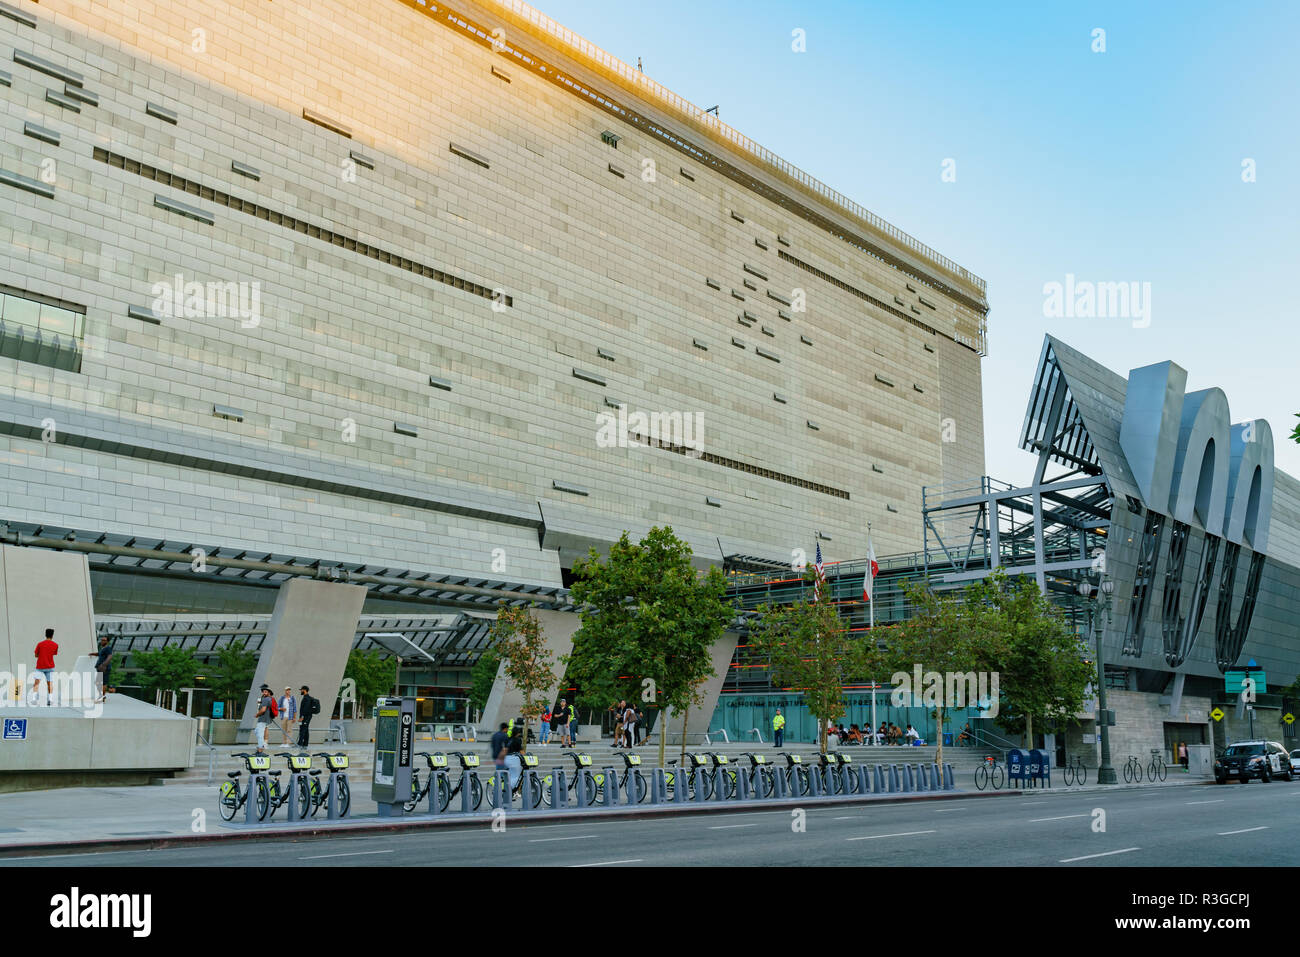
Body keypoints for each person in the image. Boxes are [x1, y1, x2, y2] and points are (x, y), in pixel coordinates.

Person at [33, 627, 58, 706]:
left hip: (40, 667)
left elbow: (36, 655)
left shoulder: (40, 644)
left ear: (45, 634)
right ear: (52, 635)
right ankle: (50, 700)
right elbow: (54, 653)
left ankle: (34, 700)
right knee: (50, 683)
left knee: (36, 683)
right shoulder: (55, 645)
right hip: (50, 667)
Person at [93, 636, 115, 704]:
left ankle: (101, 698)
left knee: (103, 683)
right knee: (98, 683)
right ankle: (102, 697)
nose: (102, 641)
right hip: (100, 668)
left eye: (104, 640)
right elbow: (99, 654)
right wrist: (92, 654)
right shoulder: (103, 648)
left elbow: (110, 656)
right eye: (101, 640)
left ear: (107, 641)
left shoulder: (108, 648)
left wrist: (103, 665)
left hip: (104, 668)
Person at [255, 684, 274, 754]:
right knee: (256, 731)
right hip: (265, 719)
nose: (264, 692)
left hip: (263, 718)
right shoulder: (266, 699)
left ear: (269, 692)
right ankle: (262, 744)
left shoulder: (266, 699)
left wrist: (257, 714)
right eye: (263, 691)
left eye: (266, 691)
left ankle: (260, 748)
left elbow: (263, 710)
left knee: (260, 733)